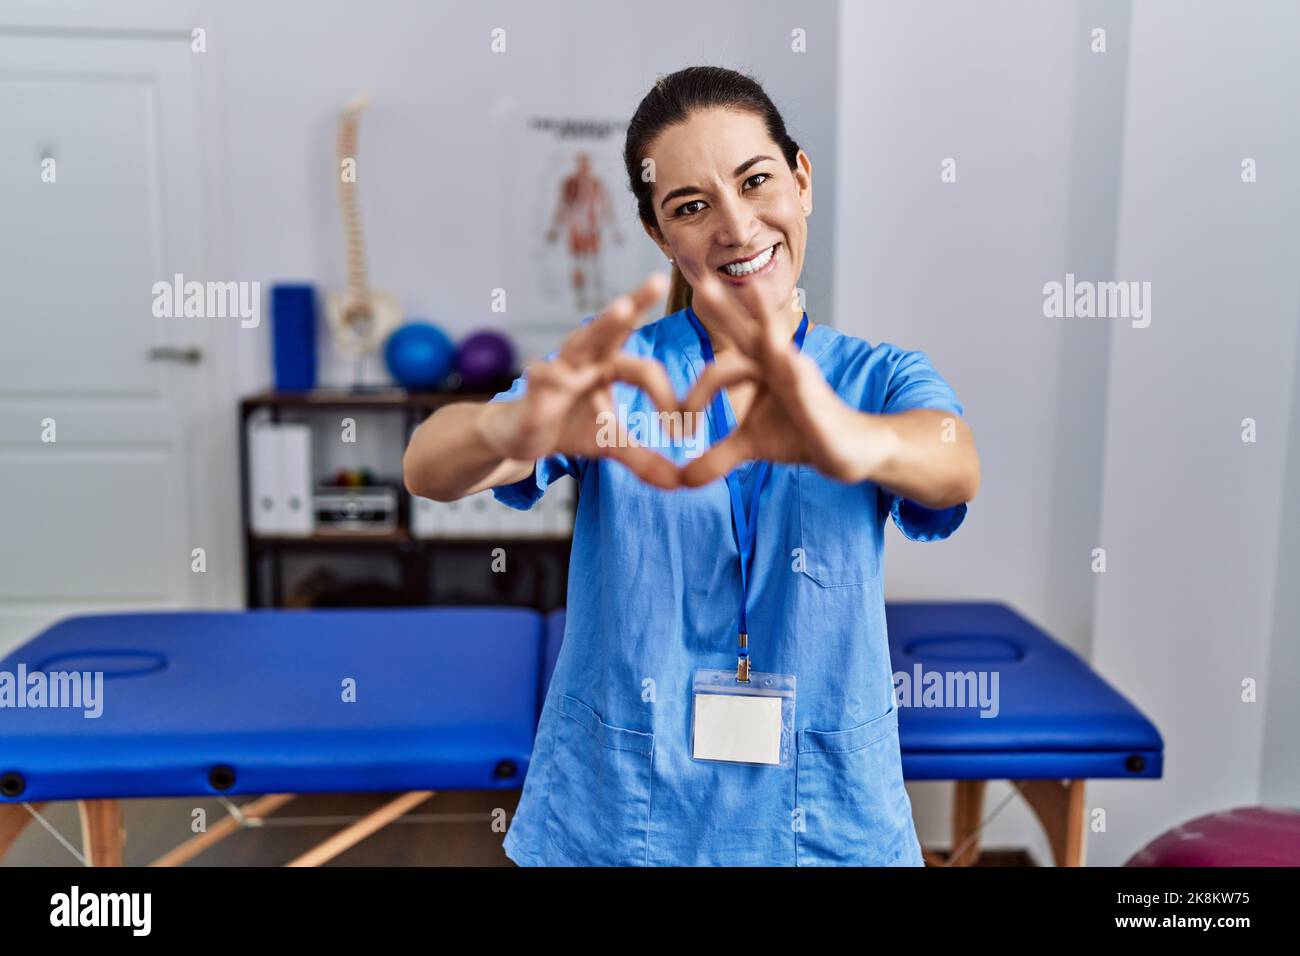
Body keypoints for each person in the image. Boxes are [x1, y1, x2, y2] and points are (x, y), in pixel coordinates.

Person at [403, 65, 980, 866]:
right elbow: (428, 468)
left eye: (756, 181)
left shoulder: (878, 379)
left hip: (828, 819)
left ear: (802, 179)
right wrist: (512, 421)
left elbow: (953, 465)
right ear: (660, 235)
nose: (738, 229)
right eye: (691, 207)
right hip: (621, 819)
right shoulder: (617, 375)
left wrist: (857, 440)